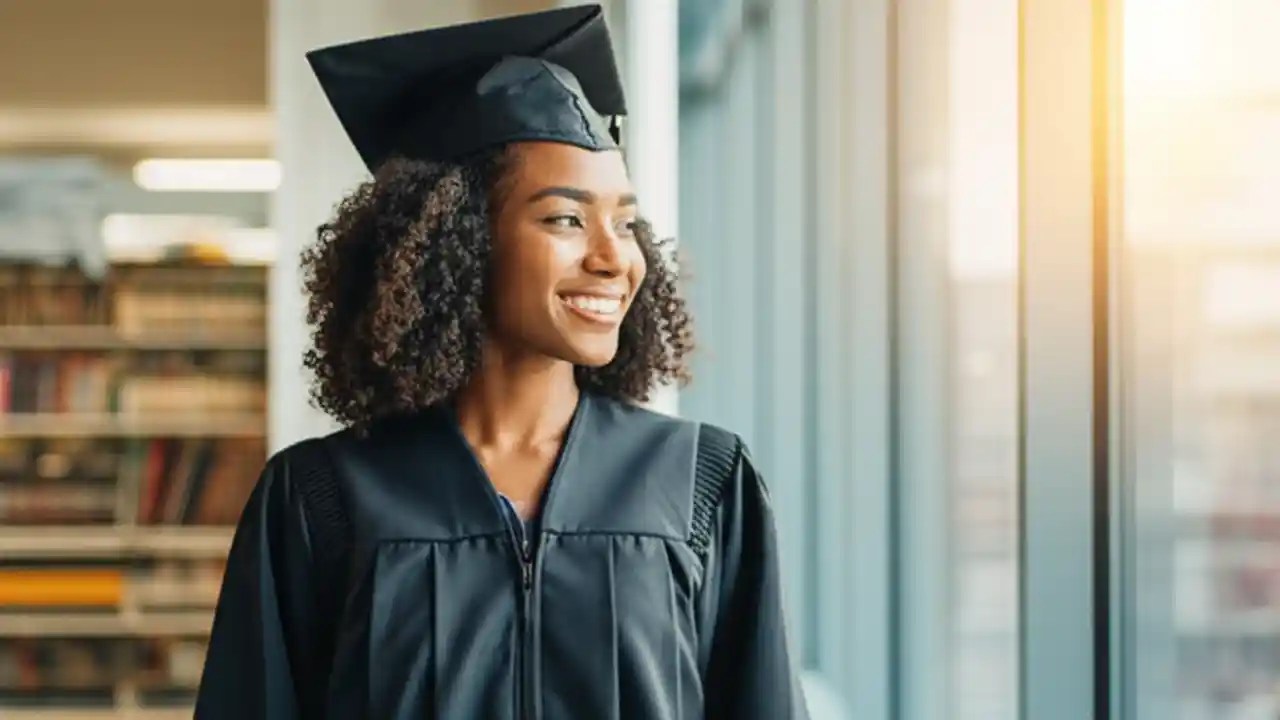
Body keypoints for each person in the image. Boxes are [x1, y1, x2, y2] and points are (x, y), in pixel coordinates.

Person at [194, 5, 809, 719]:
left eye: (626, 222)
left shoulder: (702, 483)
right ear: (455, 240)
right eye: (566, 219)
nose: (614, 258)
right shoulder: (320, 498)